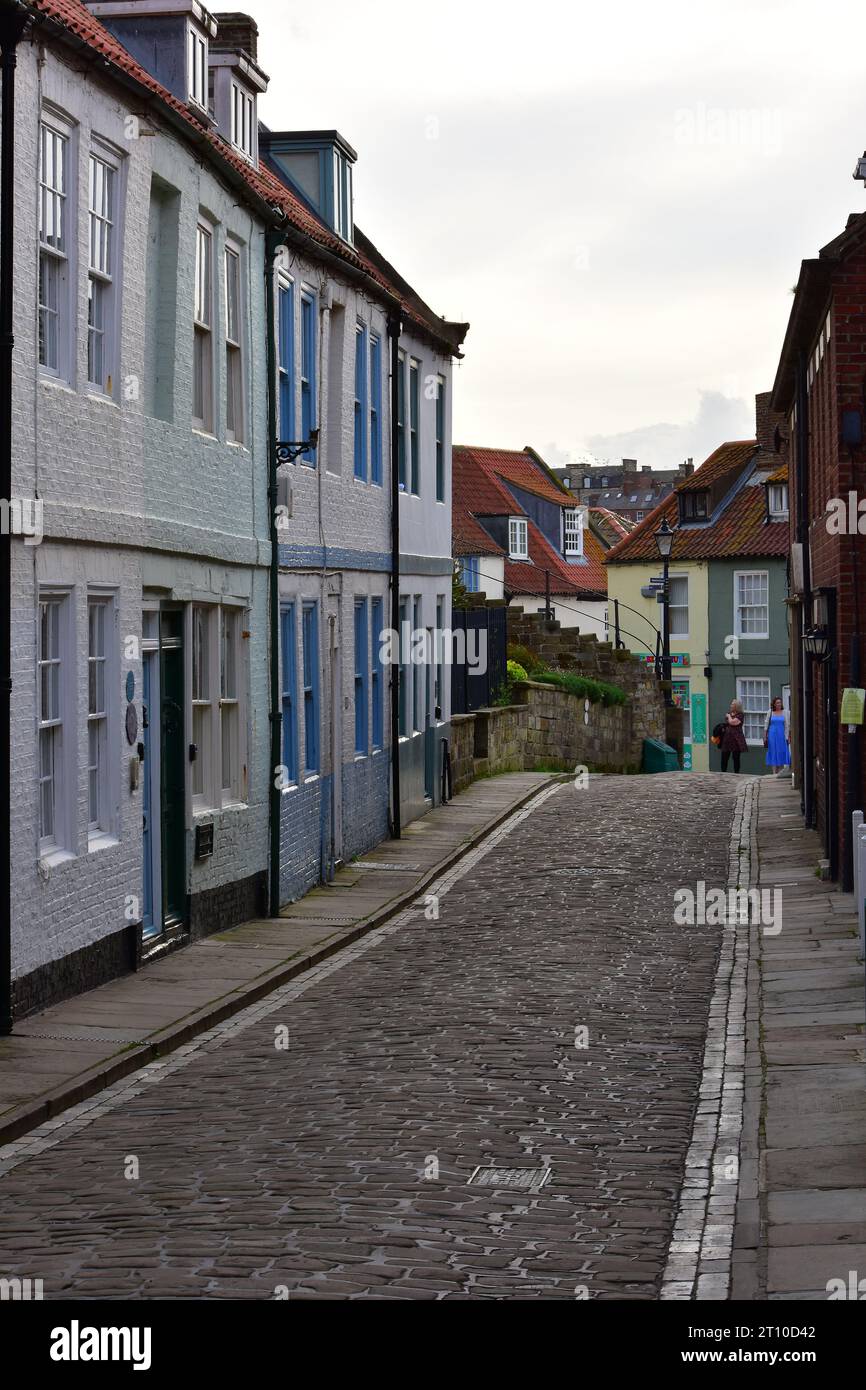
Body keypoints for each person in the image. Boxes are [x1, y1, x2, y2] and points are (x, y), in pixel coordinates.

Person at [764, 696, 790, 776]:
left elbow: (787, 725)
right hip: (772, 735)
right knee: (773, 752)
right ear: (774, 704)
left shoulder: (785, 712)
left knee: (781, 752)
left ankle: (780, 772)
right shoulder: (770, 712)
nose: (779, 704)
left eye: (780, 702)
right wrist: (765, 736)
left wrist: (787, 737)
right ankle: (774, 773)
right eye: (777, 703)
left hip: (781, 735)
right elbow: (766, 724)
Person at [720, 699, 748, 773]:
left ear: (736, 706)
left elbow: (732, 722)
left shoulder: (740, 715)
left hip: (736, 739)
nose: (731, 705)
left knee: (736, 758)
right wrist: (729, 716)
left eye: (732, 704)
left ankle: (736, 774)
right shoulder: (729, 713)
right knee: (724, 757)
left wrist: (729, 716)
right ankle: (723, 773)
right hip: (727, 739)